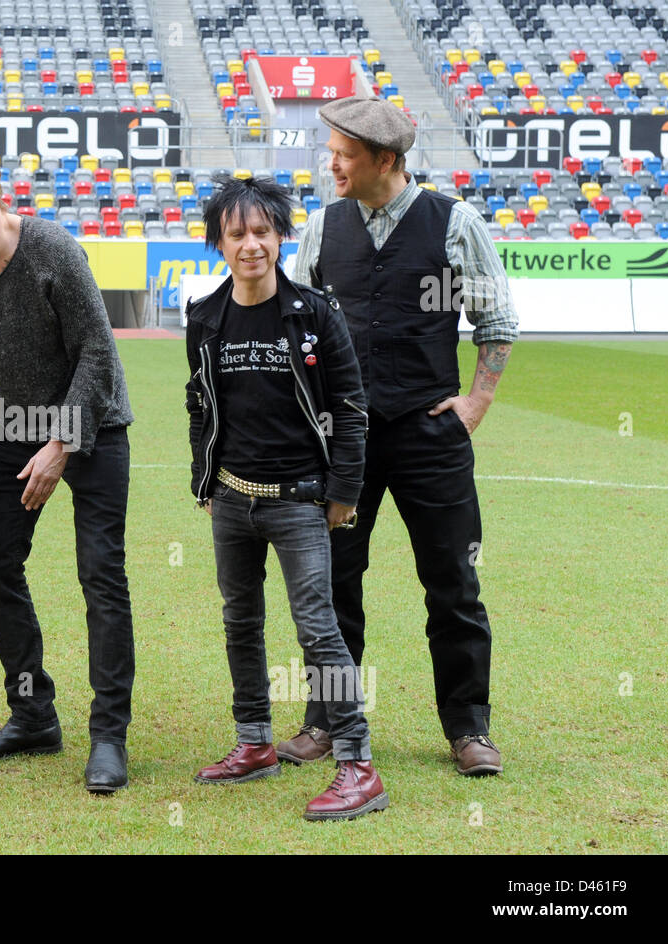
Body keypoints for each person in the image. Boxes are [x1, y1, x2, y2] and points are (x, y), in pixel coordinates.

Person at [285, 94, 518, 776]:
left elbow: (495, 316)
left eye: (343, 156)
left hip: (429, 434)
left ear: (385, 160)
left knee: (452, 582)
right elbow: (297, 326)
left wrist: (476, 402)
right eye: (331, 153)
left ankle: (468, 729)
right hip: (343, 439)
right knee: (331, 585)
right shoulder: (324, 227)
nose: (332, 166)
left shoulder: (454, 221)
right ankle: (327, 722)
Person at [0, 141, 136, 794]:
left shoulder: (51, 249)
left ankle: (109, 734)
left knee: (100, 572)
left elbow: (97, 353)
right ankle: (32, 712)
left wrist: (62, 443)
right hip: (18, 425)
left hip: (93, 422)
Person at [185, 174, 386, 820]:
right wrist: (206, 481)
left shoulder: (316, 315)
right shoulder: (206, 318)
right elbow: (199, 406)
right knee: (240, 623)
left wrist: (344, 492)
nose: (251, 244)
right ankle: (254, 744)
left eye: (262, 232)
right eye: (237, 233)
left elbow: (351, 409)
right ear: (220, 241)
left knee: (318, 629)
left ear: (280, 237)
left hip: (301, 500)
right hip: (233, 500)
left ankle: (358, 764)